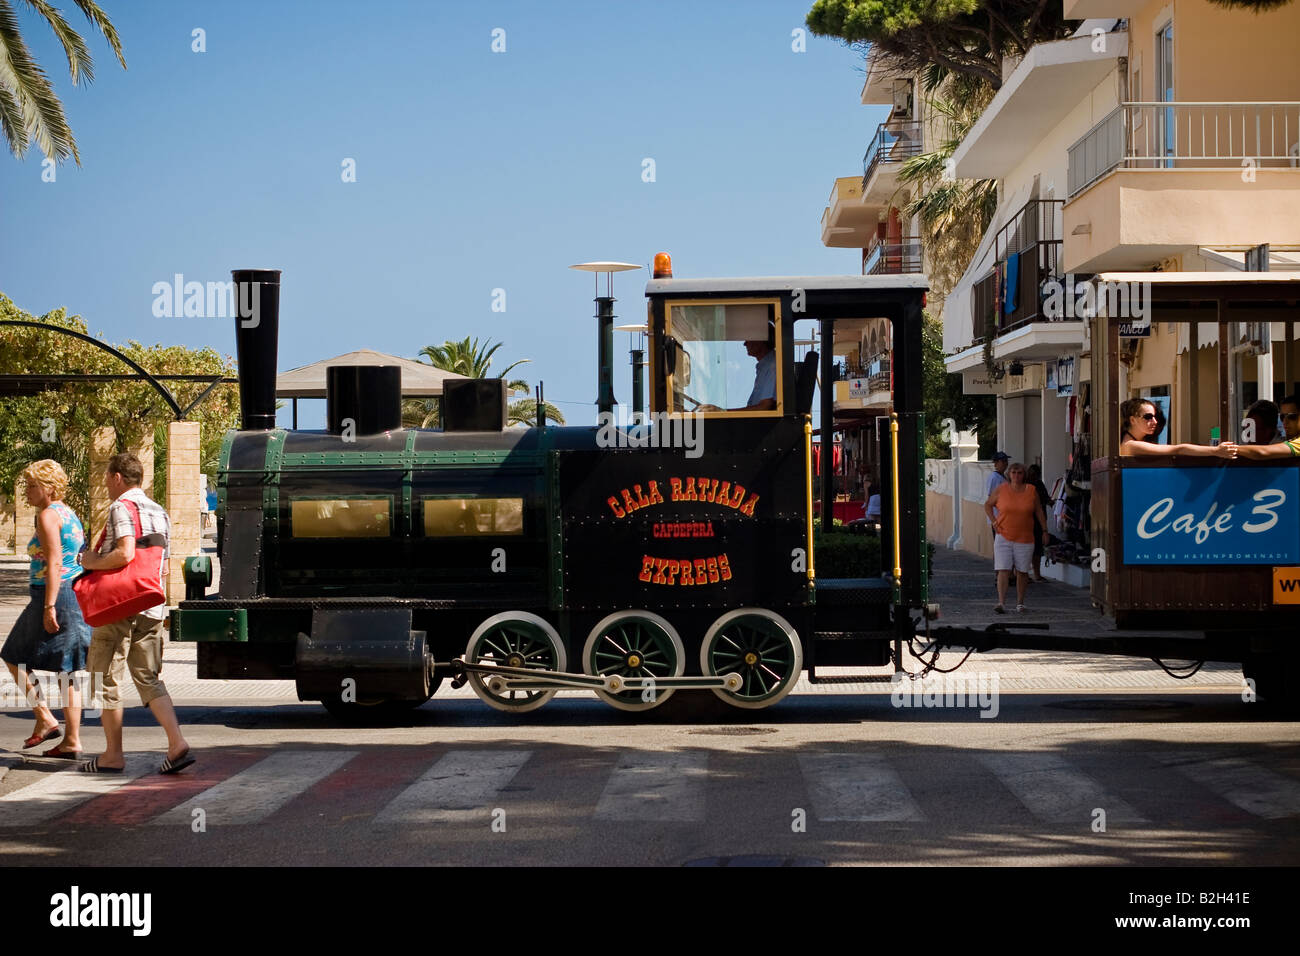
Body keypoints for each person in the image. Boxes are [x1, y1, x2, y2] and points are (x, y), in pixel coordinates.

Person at [79, 452, 194, 775]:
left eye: (107, 478)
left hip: (119, 605)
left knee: (105, 679)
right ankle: (176, 743)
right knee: (148, 677)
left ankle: (112, 755)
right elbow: (165, 567)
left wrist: (91, 562)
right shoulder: (160, 512)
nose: (106, 484)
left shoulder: (121, 507)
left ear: (118, 477)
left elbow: (125, 553)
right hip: (151, 605)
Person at [1, 460, 92, 757]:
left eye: (32, 486)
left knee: (13, 655)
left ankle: (45, 717)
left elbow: (54, 562)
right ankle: (70, 738)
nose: (27, 491)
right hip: (70, 594)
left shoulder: (49, 516)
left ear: (49, 488)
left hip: (53, 594)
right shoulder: (69, 513)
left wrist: (49, 606)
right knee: (67, 669)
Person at [984, 462, 1049, 614]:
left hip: (1025, 537)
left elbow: (1039, 511)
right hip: (1003, 536)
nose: (1016, 475)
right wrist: (993, 521)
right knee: (1003, 570)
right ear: (1009, 474)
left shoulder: (1031, 491)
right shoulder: (1001, 489)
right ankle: (1001, 602)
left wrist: (1045, 530)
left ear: (1024, 475)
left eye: (1019, 472)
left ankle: (1020, 602)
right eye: (1013, 472)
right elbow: (988, 505)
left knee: (1022, 571)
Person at [1119, 398, 1237, 459]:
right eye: (1148, 417)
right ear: (1132, 420)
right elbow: (1178, 450)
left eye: (1155, 416)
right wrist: (1216, 451)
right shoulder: (1130, 445)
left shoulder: (1134, 442)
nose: (1154, 421)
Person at [1026, 463, 1052, 582]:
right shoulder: (1025, 486)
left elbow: (1046, 499)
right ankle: (1024, 574)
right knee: (1026, 549)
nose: (1033, 476)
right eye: (1031, 474)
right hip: (1027, 521)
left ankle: (1037, 574)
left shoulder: (1039, 484)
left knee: (1037, 549)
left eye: (1035, 474)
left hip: (1038, 521)